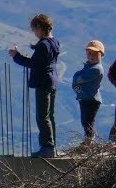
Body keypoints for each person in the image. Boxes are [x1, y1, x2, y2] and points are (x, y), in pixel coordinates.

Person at [9, 14, 62, 158]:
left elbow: (33, 64)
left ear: (40, 27)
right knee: (50, 116)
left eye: (34, 29)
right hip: (52, 81)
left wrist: (16, 56)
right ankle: (52, 146)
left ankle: (47, 148)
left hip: (43, 82)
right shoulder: (55, 42)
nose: (34, 32)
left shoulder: (43, 45)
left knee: (42, 116)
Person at [71, 40, 106, 143]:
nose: (92, 56)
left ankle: (89, 141)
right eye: (89, 53)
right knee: (85, 121)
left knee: (88, 121)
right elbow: (78, 76)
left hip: (91, 99)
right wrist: (77, 77)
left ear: (101, 55)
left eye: (95, 53)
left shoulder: (96, 69)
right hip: (85, 98)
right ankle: (88, 140)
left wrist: (76, 78)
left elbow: (81, 78)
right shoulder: (89, 66)